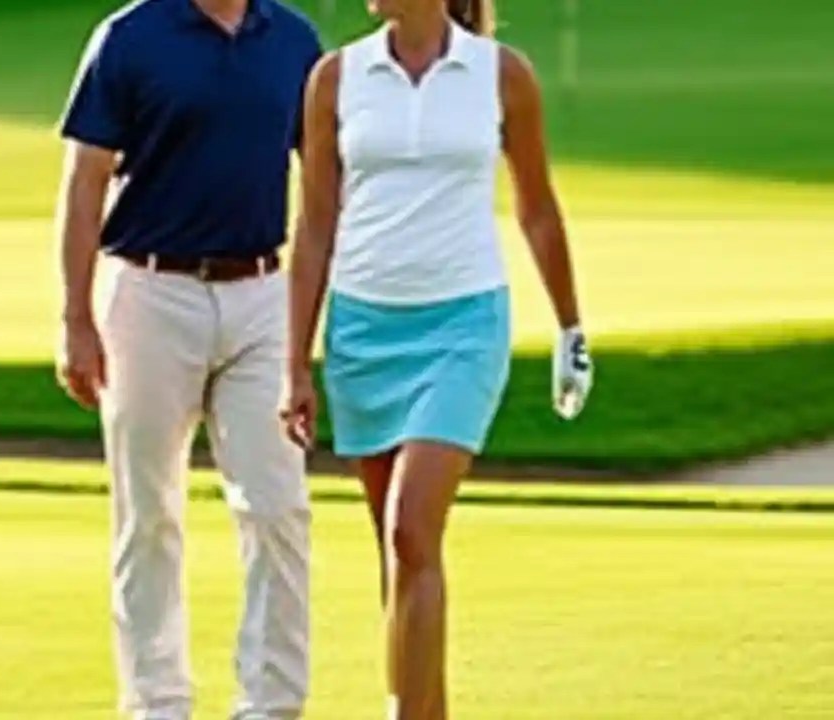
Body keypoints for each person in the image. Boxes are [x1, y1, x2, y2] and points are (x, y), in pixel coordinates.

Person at [281, 0, 595, 718]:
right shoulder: (335, 77)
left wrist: (570, 327)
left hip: (463, 325)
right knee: (401, 558)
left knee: (411, 528)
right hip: (363, 329)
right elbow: (316, 226)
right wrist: (294, 361)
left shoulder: (500, 74)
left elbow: (537, 206)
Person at [55, 0, 323, 718]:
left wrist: (310, 324)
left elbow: (325, 186)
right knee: (148, 513)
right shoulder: (129, 36)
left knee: (277, 506)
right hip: (147, 292)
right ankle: (157, 704)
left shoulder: (294, 39)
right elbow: (84, 180)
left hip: (263, 292)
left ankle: (271, 705)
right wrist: (75, 317)